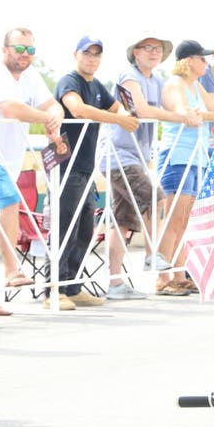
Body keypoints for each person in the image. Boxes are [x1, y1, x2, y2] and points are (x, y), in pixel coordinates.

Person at [99, 31, 203, 301]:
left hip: (137, 157)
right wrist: (181, 118)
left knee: (122, 222)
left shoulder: (157, 81)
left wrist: (187, 112)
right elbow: (142, 110)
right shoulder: (128, 75)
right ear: (136, 52)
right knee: (155, 197)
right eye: (148, 47)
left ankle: (115, 283)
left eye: (158, 49)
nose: (154, 52)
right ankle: (152, 256)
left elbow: (173, 107)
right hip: (118, 155)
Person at [44, 37, 139, 310]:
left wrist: (128, 112)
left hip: (86, 167)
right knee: (63, 228)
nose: (92, 59)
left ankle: (72, 287)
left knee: (84, 229)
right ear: (76, 54)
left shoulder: (97, 86)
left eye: (97, 54)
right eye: (87, 53)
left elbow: (117, 107)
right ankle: (53, 290)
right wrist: (119, 119)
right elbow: (77, 109)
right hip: (65, 166)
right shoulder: (69, 81)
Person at [156, 40, 214, 295]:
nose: (206, 63)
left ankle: (178, 274)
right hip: (178, 155)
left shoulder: (195, 84)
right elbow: (186, 112)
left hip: (195, 157)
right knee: (173, 218)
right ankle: (163, 276)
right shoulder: (175, 83)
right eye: (202, 59)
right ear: (190, 61)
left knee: (184, 220)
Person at [0, 28, 64, 314]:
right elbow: (9, 108)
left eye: (31, 50)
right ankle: (12, 270)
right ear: (5, 49)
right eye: (20, 48)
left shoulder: (31, 77)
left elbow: (54, 105)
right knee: (10, 199)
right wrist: (46, 117)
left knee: (8, 201)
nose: (26, 55)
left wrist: (54, 118)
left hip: (11, 160)